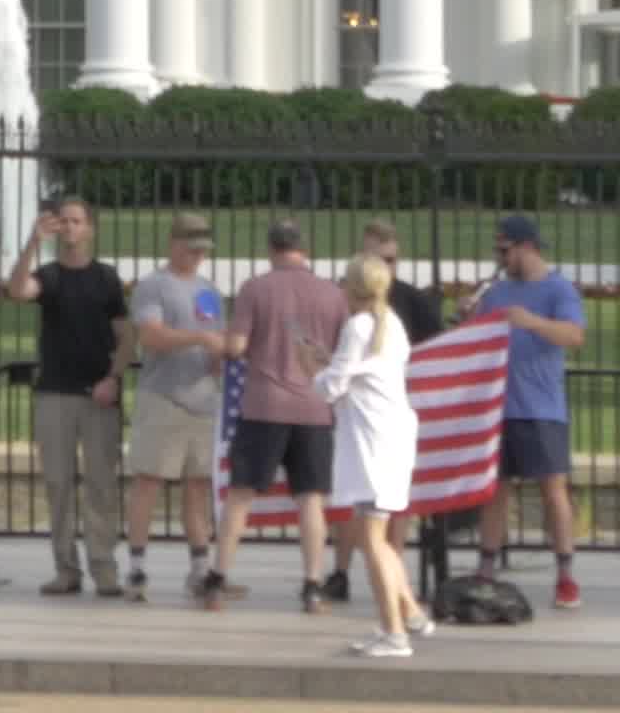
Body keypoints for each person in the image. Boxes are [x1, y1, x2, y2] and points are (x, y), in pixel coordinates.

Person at [217, 219, 347, 611]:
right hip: (314, 406)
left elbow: (237, 346)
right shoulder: (332, 294)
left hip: (265, 403)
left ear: (271, 248)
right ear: (303, 249)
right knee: (310, 499)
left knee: (241, 495)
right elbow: (340, 351)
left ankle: (217, 577)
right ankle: (312, 583)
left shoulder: (255, 288)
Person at [4, 198, 128, 598]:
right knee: (58, 484)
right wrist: (32, 243)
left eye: (77, 222)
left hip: (99, 395)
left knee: (101, 485)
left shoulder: (106, 279)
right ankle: (66, 568)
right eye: (65, 222)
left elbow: (127, 336)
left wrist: (114, 377)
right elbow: (18, 290)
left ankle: (104, 568)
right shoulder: (50, 275)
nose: (71, 228)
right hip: (55, 393)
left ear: (89, 228)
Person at [466, 212, 588, 608]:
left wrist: (532, 322)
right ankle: (487, 566)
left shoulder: (558, 290)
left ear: (526, 247)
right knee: (494, 491)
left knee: (553, 491)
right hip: (498, 406)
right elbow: (472, 339)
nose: (500, 258)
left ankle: (566, 574)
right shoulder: (496, 291)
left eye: (505, 250)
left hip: (541, 407)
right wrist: (468, 316)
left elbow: (574, 335)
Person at [314, 253, 433, 658]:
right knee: (380, 539)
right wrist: (326, 366)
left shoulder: (359, 325)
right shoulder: (390, 323)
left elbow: (331, 388)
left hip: (373, 443)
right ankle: (409, 615)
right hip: (390, 439)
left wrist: (310, 368)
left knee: (373, 540)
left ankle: (393, 632)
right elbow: (356, 379)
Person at [122, 211, 228, 602]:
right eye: (192, 248)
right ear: (174, 245)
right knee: (148, 482)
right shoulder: (154, 286)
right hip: (163, 395)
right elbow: (151, 336)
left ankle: (199, 567)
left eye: (203, 249)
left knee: (198, 487)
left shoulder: (208, 291)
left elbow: (215, 335)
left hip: (203, 399)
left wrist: (219, 355)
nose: (199, 255)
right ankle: (136, 566)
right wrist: (199, 339)